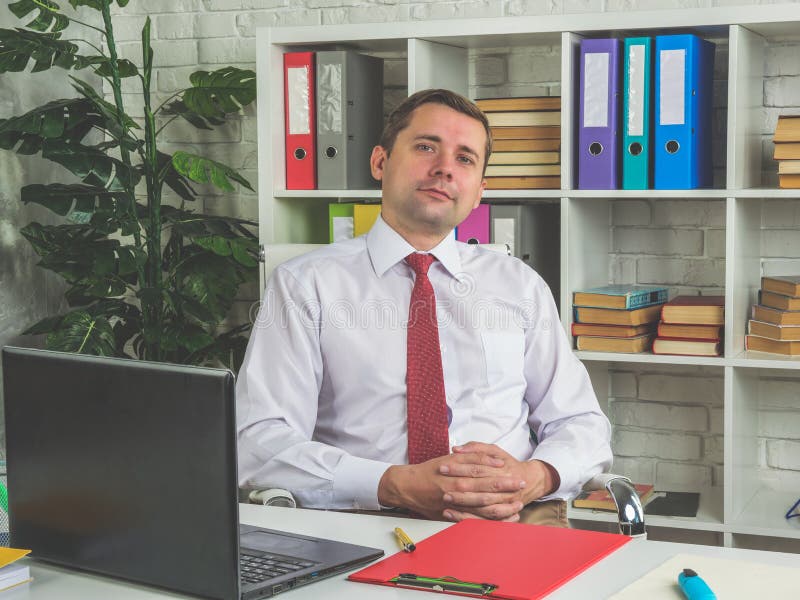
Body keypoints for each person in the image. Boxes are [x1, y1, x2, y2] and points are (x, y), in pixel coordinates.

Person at [237, 89, 611, 526]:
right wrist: (391, 483)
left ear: (478, 193)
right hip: (363, 519)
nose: (444, 169)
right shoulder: (306, 285)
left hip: (515, 521)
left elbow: (582, 421)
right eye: (426, 147)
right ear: (380, 162)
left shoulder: (518, 285)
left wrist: (535, 477)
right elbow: (259, 442)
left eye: (465, 158)